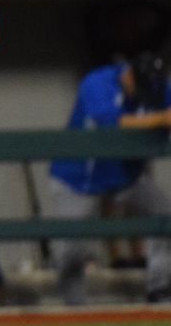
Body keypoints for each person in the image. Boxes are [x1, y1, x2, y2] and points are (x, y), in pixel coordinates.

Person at [48, 51, 171, 305]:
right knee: (70, 251)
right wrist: (161, 119)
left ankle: (159, 289)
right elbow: (111, 124)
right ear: (130, 75)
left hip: (125, 176)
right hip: (79, 179)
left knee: (164, 215)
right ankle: (74, 310)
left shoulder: (158, 86)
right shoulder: (98, 82)